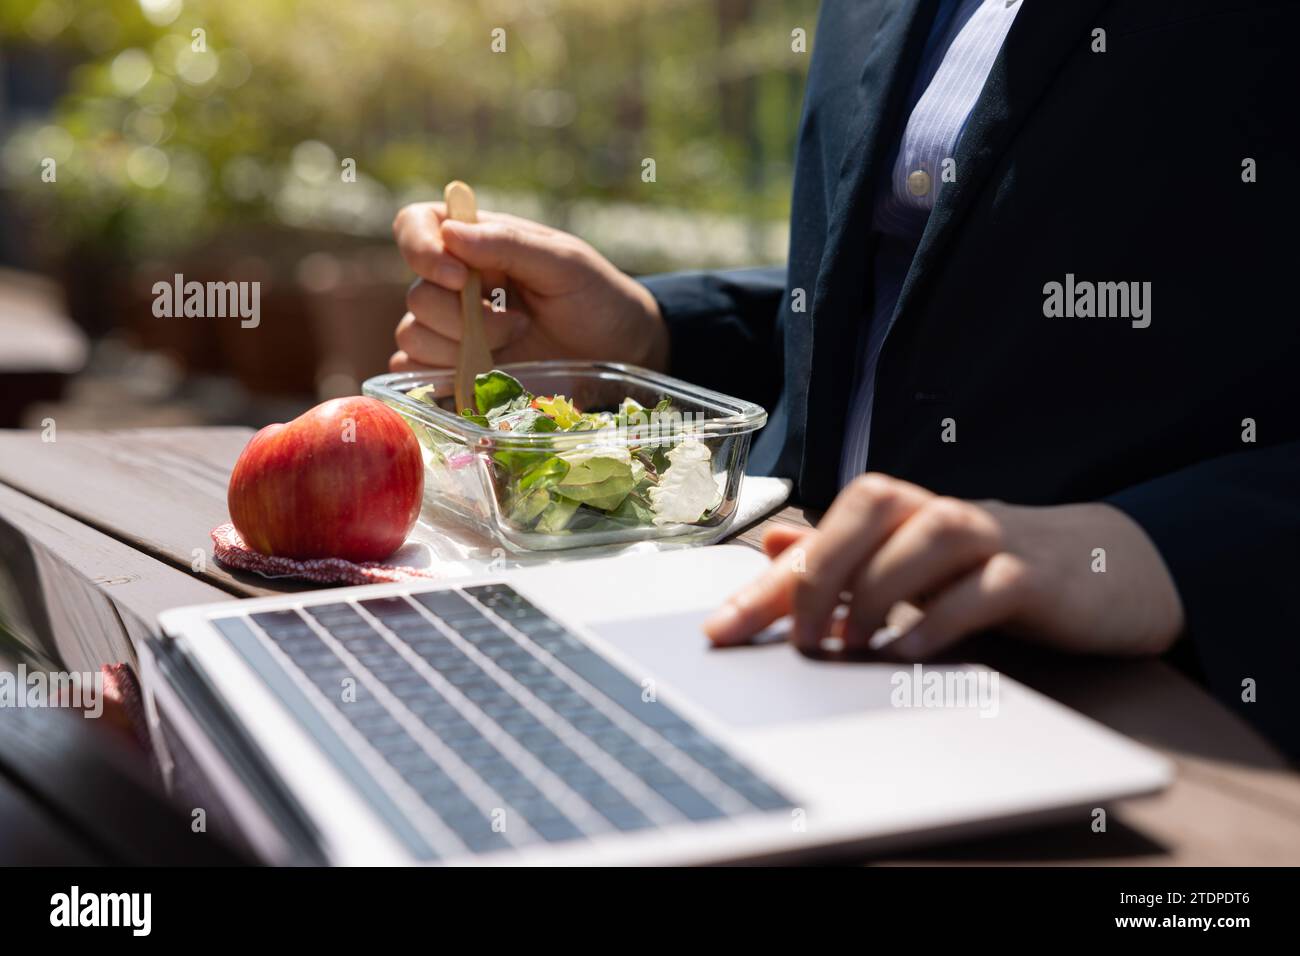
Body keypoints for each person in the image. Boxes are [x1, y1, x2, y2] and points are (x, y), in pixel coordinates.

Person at [389, 0, 1298, 757]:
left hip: (1151, 720)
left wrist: (1153, 548)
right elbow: (895, 306)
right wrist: (652, 340)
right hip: (769, 647)